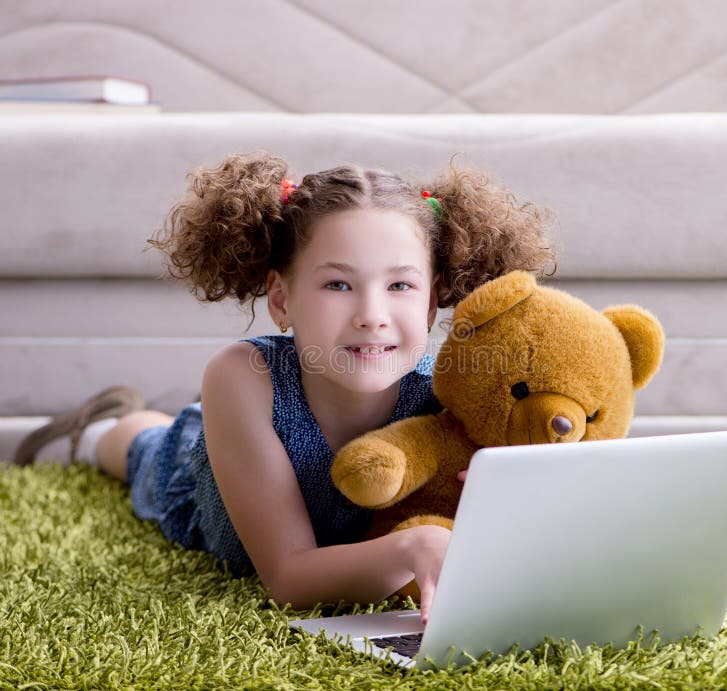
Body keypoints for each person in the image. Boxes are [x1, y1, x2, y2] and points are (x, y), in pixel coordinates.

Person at [14, 152, 555, 622]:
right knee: (147, 448)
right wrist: (412, 547)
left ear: (433, 300)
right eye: (338, 284)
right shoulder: (241, 378)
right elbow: (288, 579)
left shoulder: (455, 391)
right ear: (281, 299)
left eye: (400, 285)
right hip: (202, 485)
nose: (373, 315)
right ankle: (96, 426)